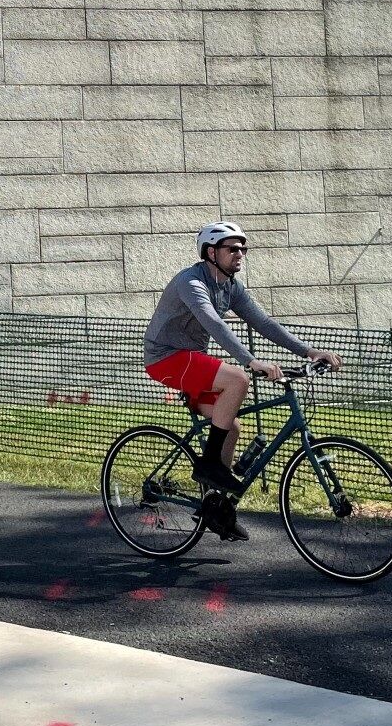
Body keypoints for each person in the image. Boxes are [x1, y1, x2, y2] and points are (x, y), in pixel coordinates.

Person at [144, 222, 341, 538]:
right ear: (211, 252)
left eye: (243, 249)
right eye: (232, 248)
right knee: (237, 379)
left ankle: (217, 508)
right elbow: (214, 324)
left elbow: (264, 323)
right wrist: (250, 361)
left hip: (192, 361)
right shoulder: (190, 282)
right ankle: (209, 465)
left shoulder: (230, 287)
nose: (240, 254)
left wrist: (309, 351)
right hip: (165, 358)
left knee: (231, 427)